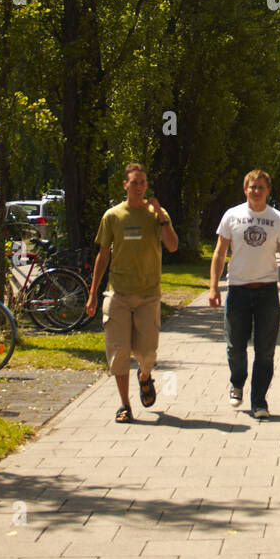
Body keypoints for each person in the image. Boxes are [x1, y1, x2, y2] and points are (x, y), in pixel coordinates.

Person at [87, 162, 179, 423]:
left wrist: (161, 216)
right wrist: (93, 293)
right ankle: (125, 405)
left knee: (147, 353)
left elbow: (172, 246)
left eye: (142, 182)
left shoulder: (157, 215)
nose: (139, 187)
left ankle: (144, 375)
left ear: (146, 185)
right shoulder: (113, 216)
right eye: (134, 182)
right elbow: (102, 255)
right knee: (119, 353)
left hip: (148, 295)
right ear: (125, 185)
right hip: (118, 294)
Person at [209, 169, 280, 419]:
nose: (256, 191)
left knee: (265, 350)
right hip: (237, 290)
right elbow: (219, 253)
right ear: (245, 189)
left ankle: (259, 400)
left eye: (260, 187)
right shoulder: (232, 216)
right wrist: (213, 286)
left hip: (266, 291)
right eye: (252, 187)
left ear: (268, 191)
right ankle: (237, 382)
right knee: (235, 346)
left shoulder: (278, 219)